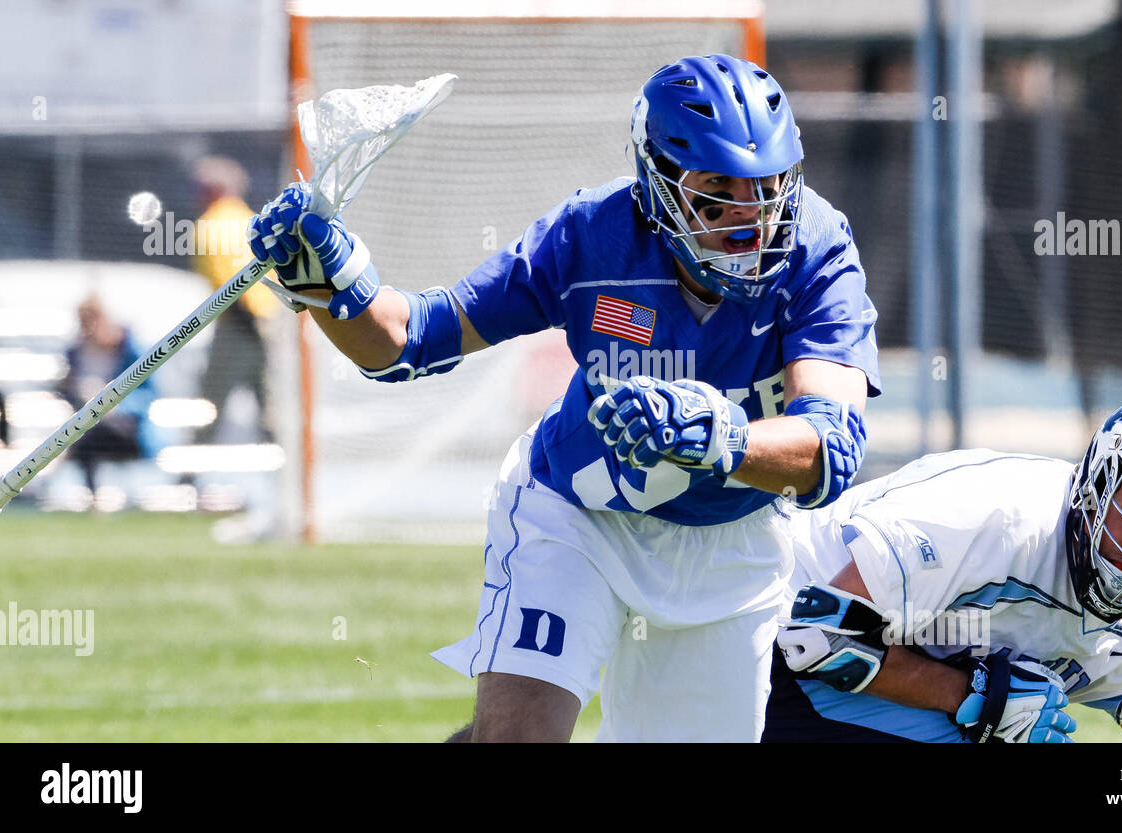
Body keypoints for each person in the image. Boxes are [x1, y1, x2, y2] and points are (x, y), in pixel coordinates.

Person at [247, 54, 882, 741]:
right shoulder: (589, 235)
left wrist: (717, 437)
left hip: (732, 542)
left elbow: (829, 452)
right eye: (717, 190)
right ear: (658, 181)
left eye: (766, 187)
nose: (748, 217)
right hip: (580, 515)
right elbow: (409, 342)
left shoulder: (818, 249)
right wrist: (330, 284)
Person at [766, 390, 1122, 743]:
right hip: (771, 634)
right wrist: (973, 695)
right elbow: (820, 636)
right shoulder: (996, 517)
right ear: (1098, 483)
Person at [191, 156, 277, 444]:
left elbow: (228, 286)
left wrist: (249, 323)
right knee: (273, 404)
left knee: (210, 404)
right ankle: (286, 464)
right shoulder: (254, 220)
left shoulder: (210, 225)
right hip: (271, 323)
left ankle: (192, 465)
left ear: (214, 189)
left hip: (238, 326)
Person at [58, 295, 162, 496]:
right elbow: (64, 394)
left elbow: (148, 395)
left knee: (82, 435)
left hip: (128, 430)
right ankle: (92, 496)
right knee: (83, 433)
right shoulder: (75, 353)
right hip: (88, 426)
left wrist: (112, 402)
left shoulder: (129, 350)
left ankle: (92, 497)